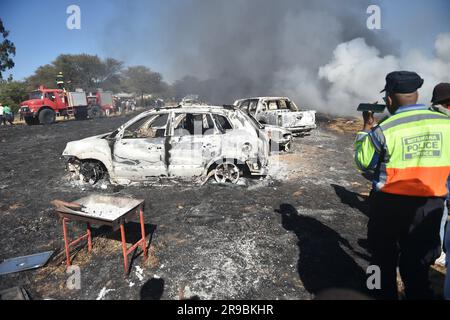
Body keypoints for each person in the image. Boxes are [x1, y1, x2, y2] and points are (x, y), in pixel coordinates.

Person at [354, 71, 450, 300]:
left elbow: (363, 163)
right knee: (418, 267)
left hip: (387, 208)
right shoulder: (446, 123)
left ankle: (376, 293)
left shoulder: (385, 128)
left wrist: (366, 127)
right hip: (430, 208)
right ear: (417, 94)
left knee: (379, 260)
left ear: (388, 99)